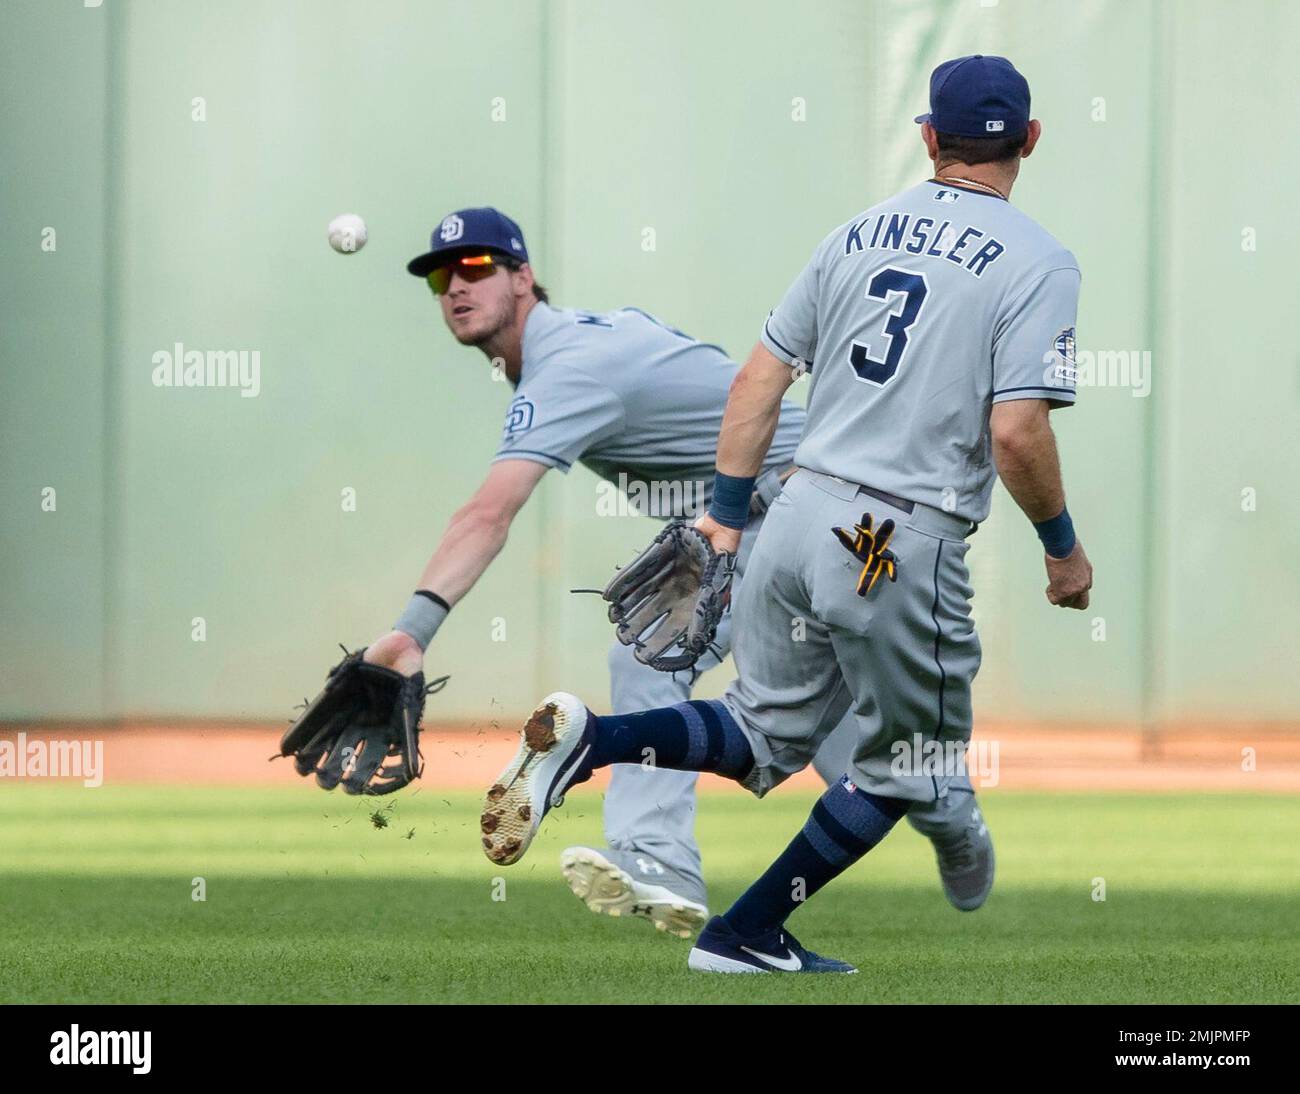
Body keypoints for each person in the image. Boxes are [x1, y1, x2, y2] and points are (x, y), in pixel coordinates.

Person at [478, 54, 1090, 972]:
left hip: (797, 510)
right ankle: (746, 931)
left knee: (763, 735)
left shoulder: (852, 235)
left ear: (928, 138)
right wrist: (1061, 549)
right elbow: (1017, 432)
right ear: (1030, 141)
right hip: (894, 537)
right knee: (909, 764)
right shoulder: (1040, 259)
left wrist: (726, 517)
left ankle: (592, 741)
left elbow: (758, 381)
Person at [365, 205, 992, 939]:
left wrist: (413, 633)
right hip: (774, 513)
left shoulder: (565, 370)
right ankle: (940, 810)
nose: (454, 287)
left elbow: (487, 514)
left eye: (474, 267)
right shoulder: (594, 337)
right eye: (440, 276)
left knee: (681, 669)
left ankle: (671, 852)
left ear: (524, 277)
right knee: (835, 732)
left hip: (817, 504)